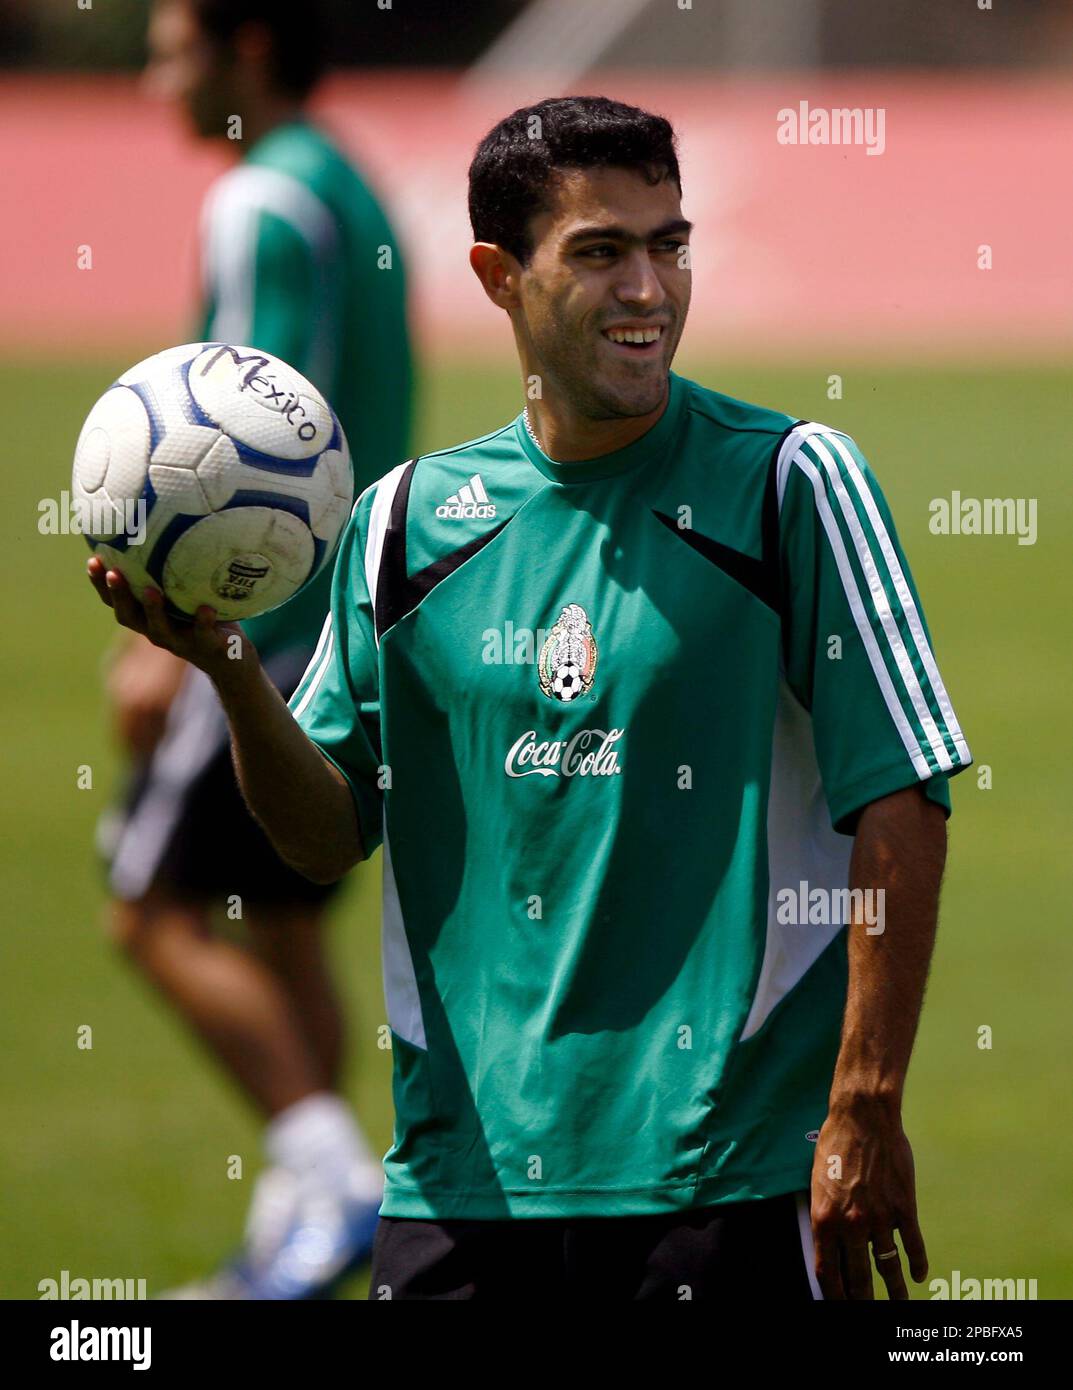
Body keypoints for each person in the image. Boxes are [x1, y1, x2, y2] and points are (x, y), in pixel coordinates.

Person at [89, 95, 970, 1301]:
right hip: (458, 1195)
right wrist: (231, 669)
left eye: (668, 244)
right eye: (600, 252)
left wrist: (864, 1103)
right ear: (498, 276)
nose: (648, 290)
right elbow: (320, 835)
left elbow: (903, 800)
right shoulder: (401, 522)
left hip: (725, 1187)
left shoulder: (790, 485)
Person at [97, 0, 412, 1298]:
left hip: (269, 630)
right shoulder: (343, 176)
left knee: (147, 908)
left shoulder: (260, 205)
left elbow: (242, 432)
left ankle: (329, 1177)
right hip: (364, 618)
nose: (151, 74)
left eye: (172, 46)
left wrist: (181, 644)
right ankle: (325, 1218)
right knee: (283, 929)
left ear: (249, 48)